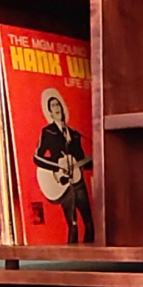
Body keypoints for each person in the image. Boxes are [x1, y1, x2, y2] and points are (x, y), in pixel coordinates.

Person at [34, 89, 94, 243]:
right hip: (63, 184)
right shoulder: (47, 132)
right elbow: (37, 157)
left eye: (58, 105)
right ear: (50, 112)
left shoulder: (74, 134)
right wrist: (57, 167)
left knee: (90, 223)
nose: (57, 108)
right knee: (73, 226)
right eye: (53, 106)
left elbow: (81, 159)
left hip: (78, 183)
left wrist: (97, 162)